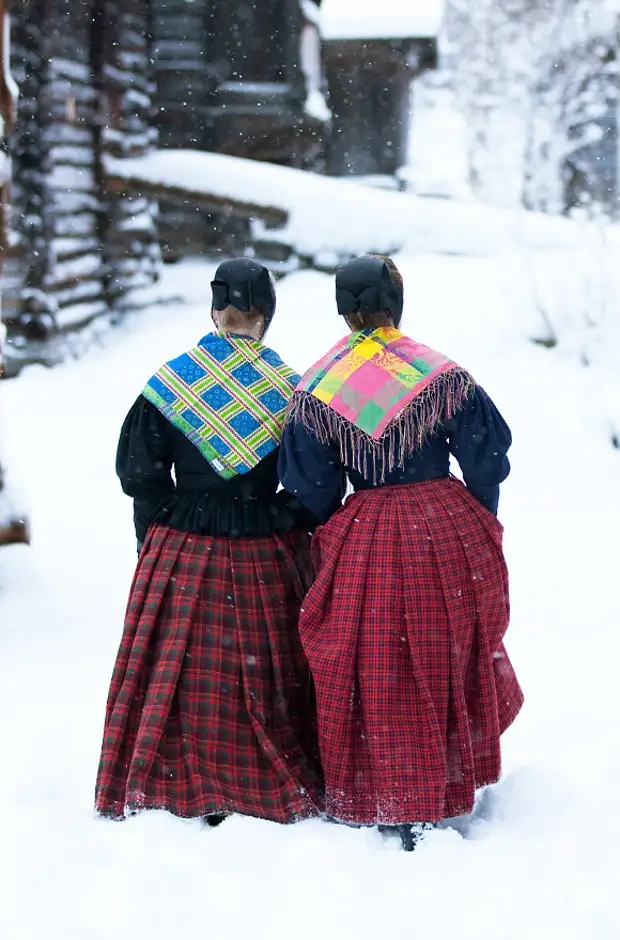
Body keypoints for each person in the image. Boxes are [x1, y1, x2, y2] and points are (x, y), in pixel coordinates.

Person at [279, 255, 523, 851]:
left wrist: (336, 525)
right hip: (442, 527)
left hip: (367, 533)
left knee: (374, 662)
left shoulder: (318, 386)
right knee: (445, 650)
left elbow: (311, 488)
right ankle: (448, 777)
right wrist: (476, 521)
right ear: (397, 303)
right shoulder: (438, 374)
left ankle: (380, 785)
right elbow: (487, 461)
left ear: (342, 309)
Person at [95, 258, 323, 825]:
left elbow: (141, 476)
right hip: (264, 544)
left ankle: (177, 776)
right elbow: (313, 481)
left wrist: (153, 546)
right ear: (266, 316)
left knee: (181, 667)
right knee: (270, 669)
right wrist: (285, 520)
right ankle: (259, 776)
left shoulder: (171, 381)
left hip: (182, 542)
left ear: (214, 311)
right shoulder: (292, 389)